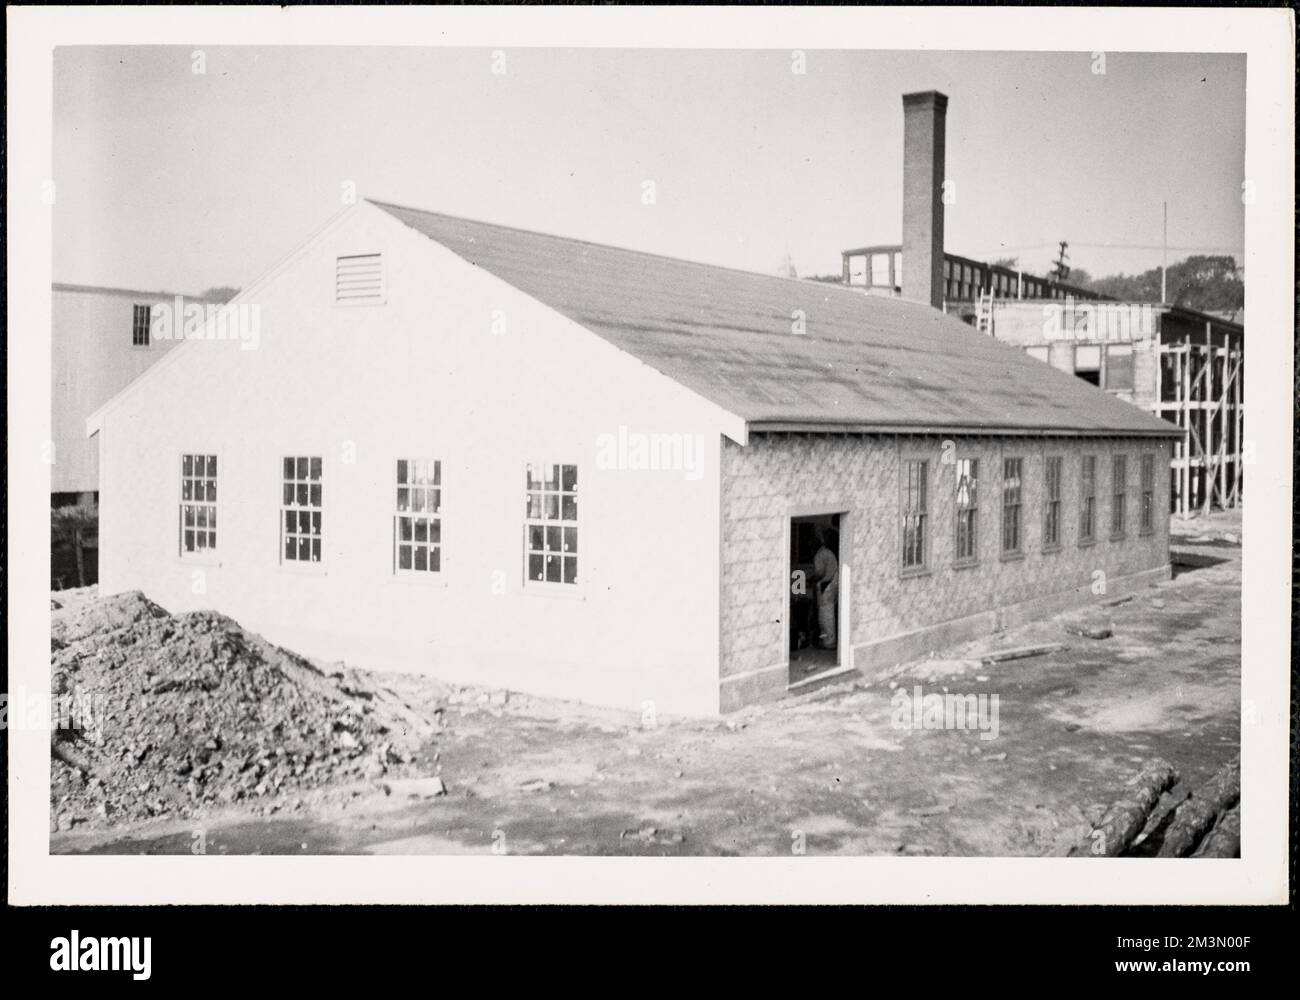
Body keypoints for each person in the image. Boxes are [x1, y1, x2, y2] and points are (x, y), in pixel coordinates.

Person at [812, 526, 839, 650]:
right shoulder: (828, 552)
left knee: (825, 614)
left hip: (826, 584)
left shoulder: (819, 555)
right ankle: (829, 640)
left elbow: (819, 572)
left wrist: (811, 579)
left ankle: (828, 642)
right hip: (833, 582)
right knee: (829, 612)